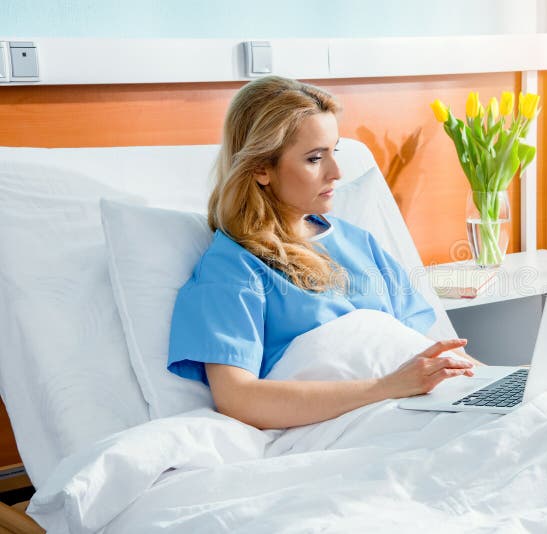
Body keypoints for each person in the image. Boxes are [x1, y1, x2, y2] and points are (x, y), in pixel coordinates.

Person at [167, 76, 480, 430]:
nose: (337, 173)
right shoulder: (234, 266)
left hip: (425, 407)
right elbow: (236, 398)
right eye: (315, 158)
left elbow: (426, 352)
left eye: (335, 152)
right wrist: (386, 387)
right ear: (260, 168)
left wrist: (508, 383)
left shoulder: (360, 243)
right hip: (349, 424)